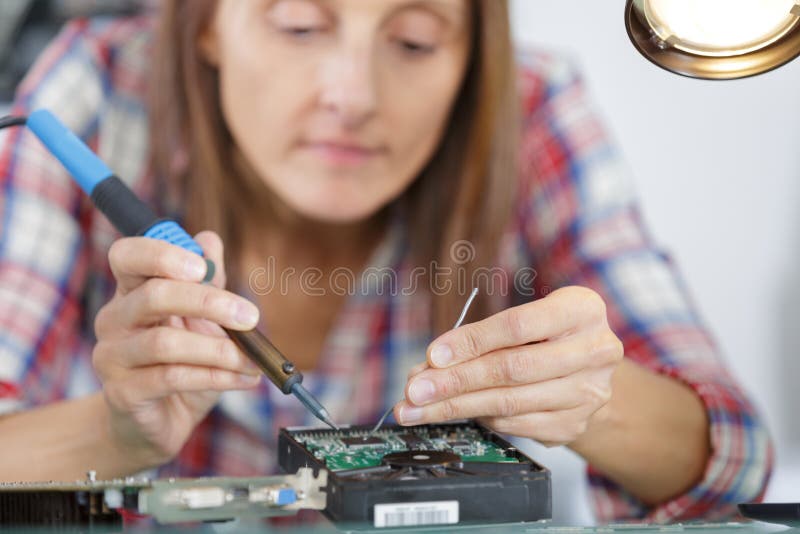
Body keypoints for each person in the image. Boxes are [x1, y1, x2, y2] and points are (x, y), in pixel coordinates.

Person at [0, 0, 772, 524]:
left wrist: (595, 402)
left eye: (412, 41)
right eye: (300, 25)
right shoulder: (92, 96)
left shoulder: (530, 111)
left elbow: (737, 462)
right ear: (206, 23)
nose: (352, 95)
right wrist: (116, 432)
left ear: (474, 50)